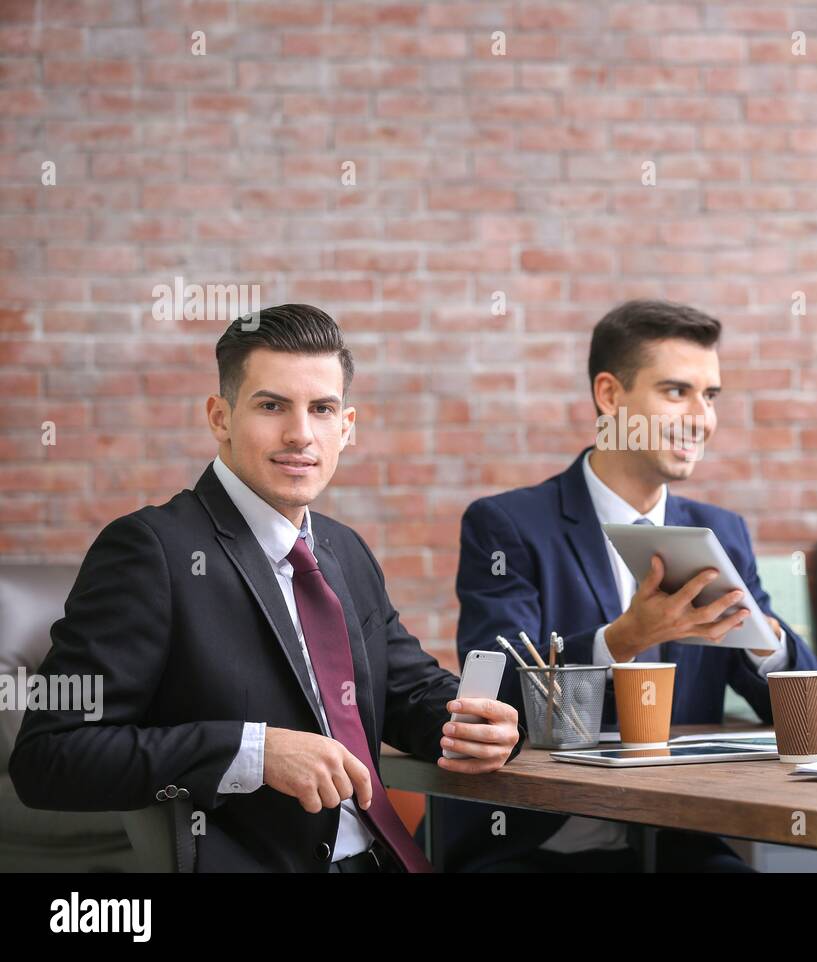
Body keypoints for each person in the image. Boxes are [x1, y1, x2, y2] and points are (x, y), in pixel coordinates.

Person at [10, 304, 520, 872]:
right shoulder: (150, 552)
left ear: (345, 428)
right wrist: (253, 752)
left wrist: (470, 725)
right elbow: (49, 759)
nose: (300, 434)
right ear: (220, 417)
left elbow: (404, 691)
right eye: (271, 405)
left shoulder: (344, 552)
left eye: (321, 409)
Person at [449, 299, 817, 872]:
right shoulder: (508, 525)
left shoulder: (721, 532)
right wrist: (621, 639)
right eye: (676, 392)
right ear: (610, 396)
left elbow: (800, 716)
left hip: (677, 842)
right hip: (531, 845)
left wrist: (763, 640)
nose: (701, 417)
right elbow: (495, 696)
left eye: (711, 395)